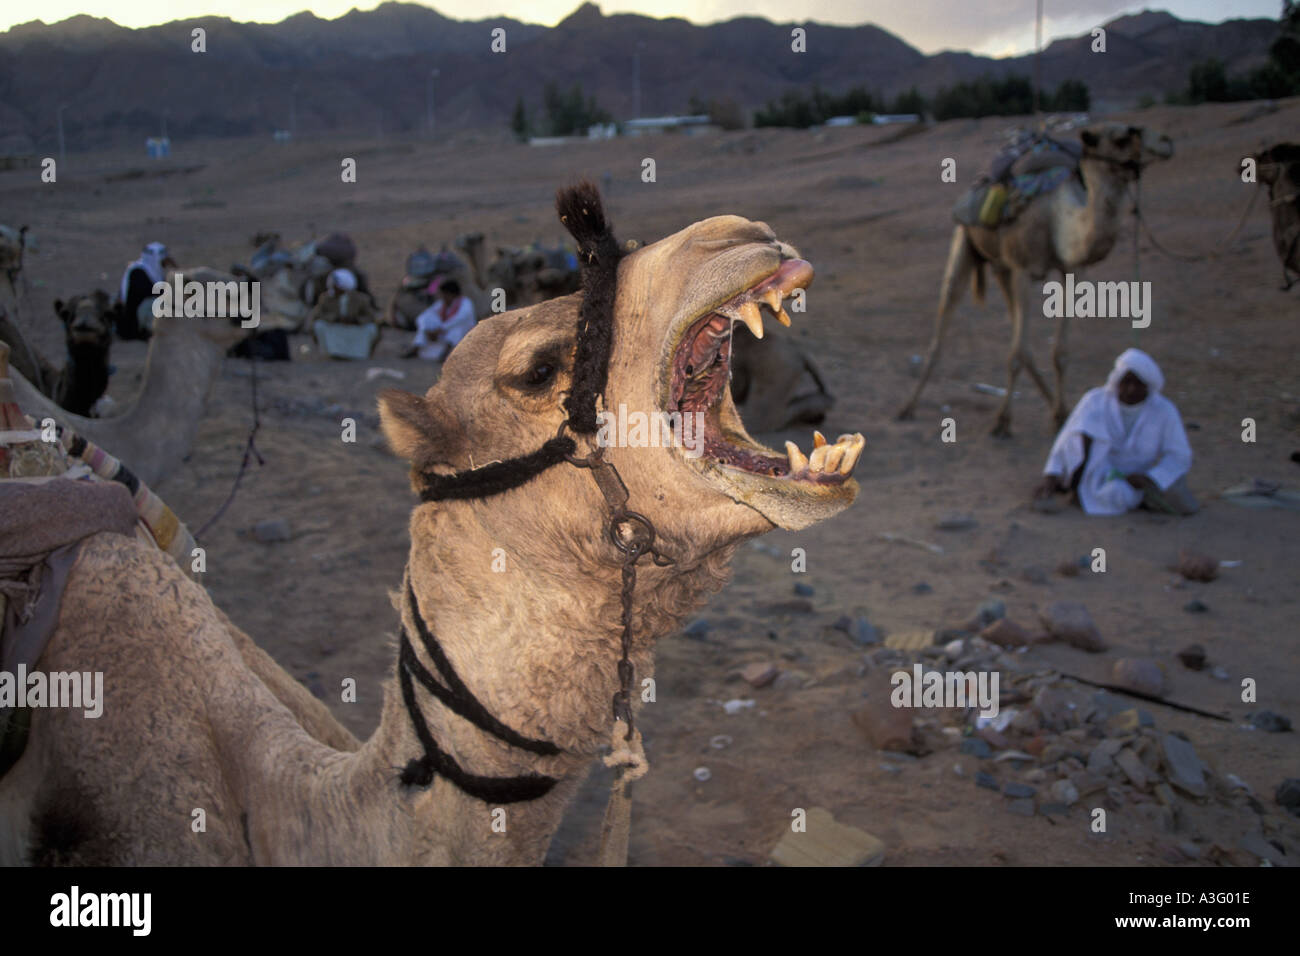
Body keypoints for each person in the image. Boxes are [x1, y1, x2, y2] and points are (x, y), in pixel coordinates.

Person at [1033, 348, 1197, 516]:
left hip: (1133, 481)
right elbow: (1065, 440)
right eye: (1126, 383)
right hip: (1095, 472)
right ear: (1117, 382)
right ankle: (1073, 485)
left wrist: (1151, 478)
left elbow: (1180, 455)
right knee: (1079, 434)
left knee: (1119, 493)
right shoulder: (1095, 400)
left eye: (1138, 384)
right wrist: (1051, 476)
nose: (1131, 389)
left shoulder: (1164, 411)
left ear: (1148, 386)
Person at [116, 241, 175, 340]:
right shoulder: (138, 272)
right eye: (163, 261)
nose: (165, 264)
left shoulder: (154, 273)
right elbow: (154, 292)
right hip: (133, 322)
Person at [405, 278, 475, 361]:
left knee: (457, 329)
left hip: (463, 333)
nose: (442, 297)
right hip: (443, 332)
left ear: (451, 294)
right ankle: (416, 347)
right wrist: (427, 330)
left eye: (444, 294)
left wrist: (440, 330)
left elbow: (458, 320)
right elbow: (423, 317)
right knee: (428, 320)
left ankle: (446, 354)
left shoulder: (466, 303)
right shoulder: (442, 303)